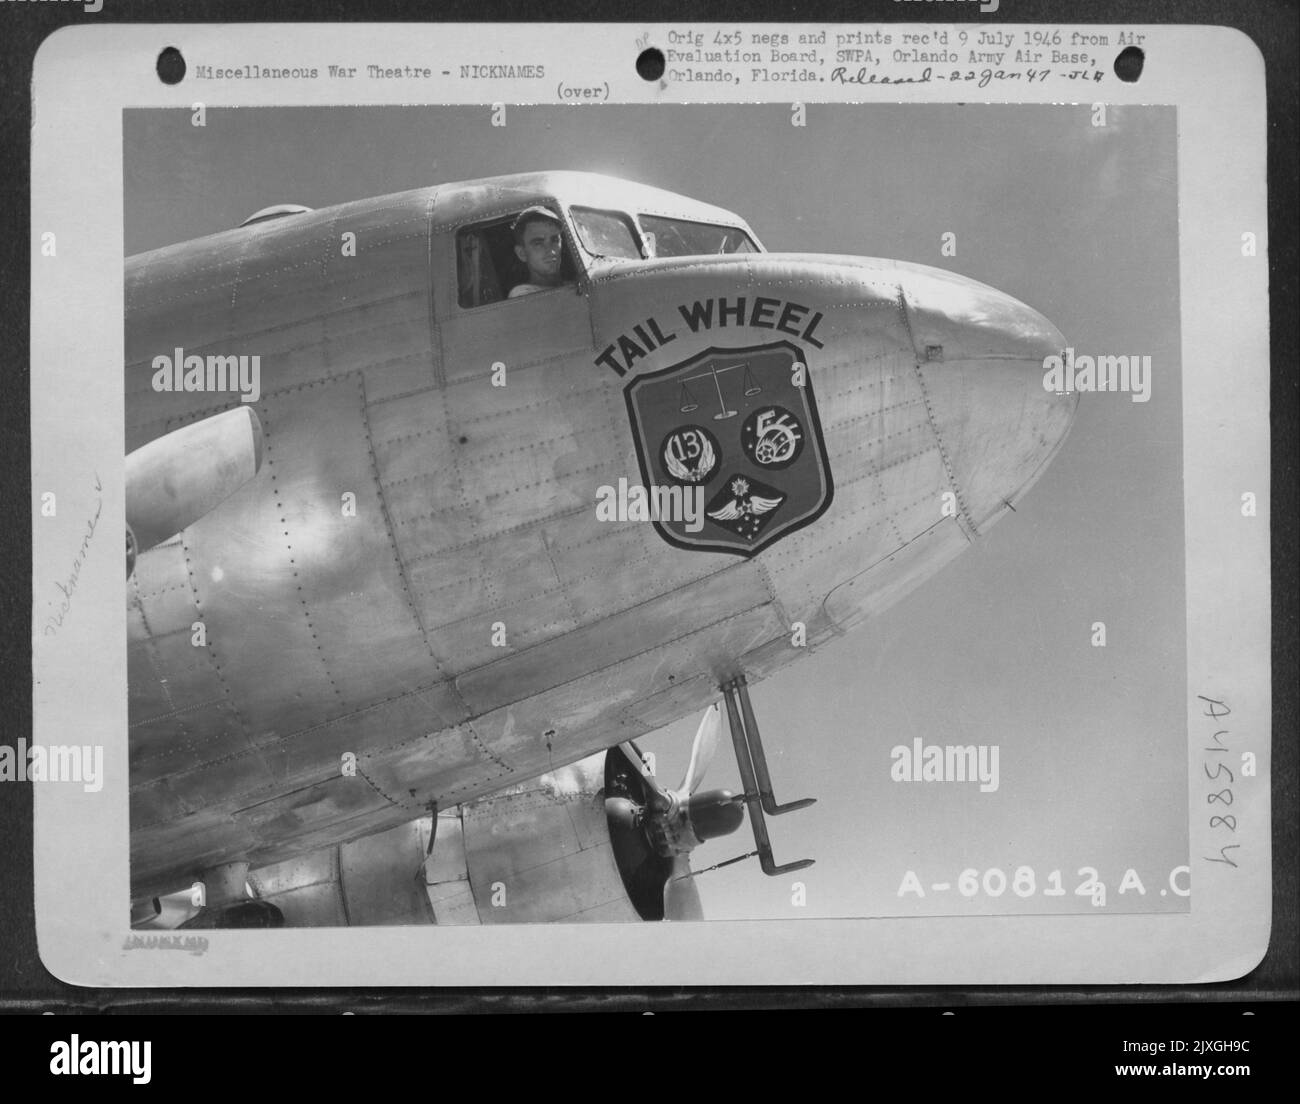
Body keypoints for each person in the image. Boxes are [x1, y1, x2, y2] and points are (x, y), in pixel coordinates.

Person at [508, 206, 567, 297]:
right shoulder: (522, 295)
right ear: (522, 253)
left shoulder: (571, 285)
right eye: (538, 244)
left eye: (555, 240)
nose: (551, 251)